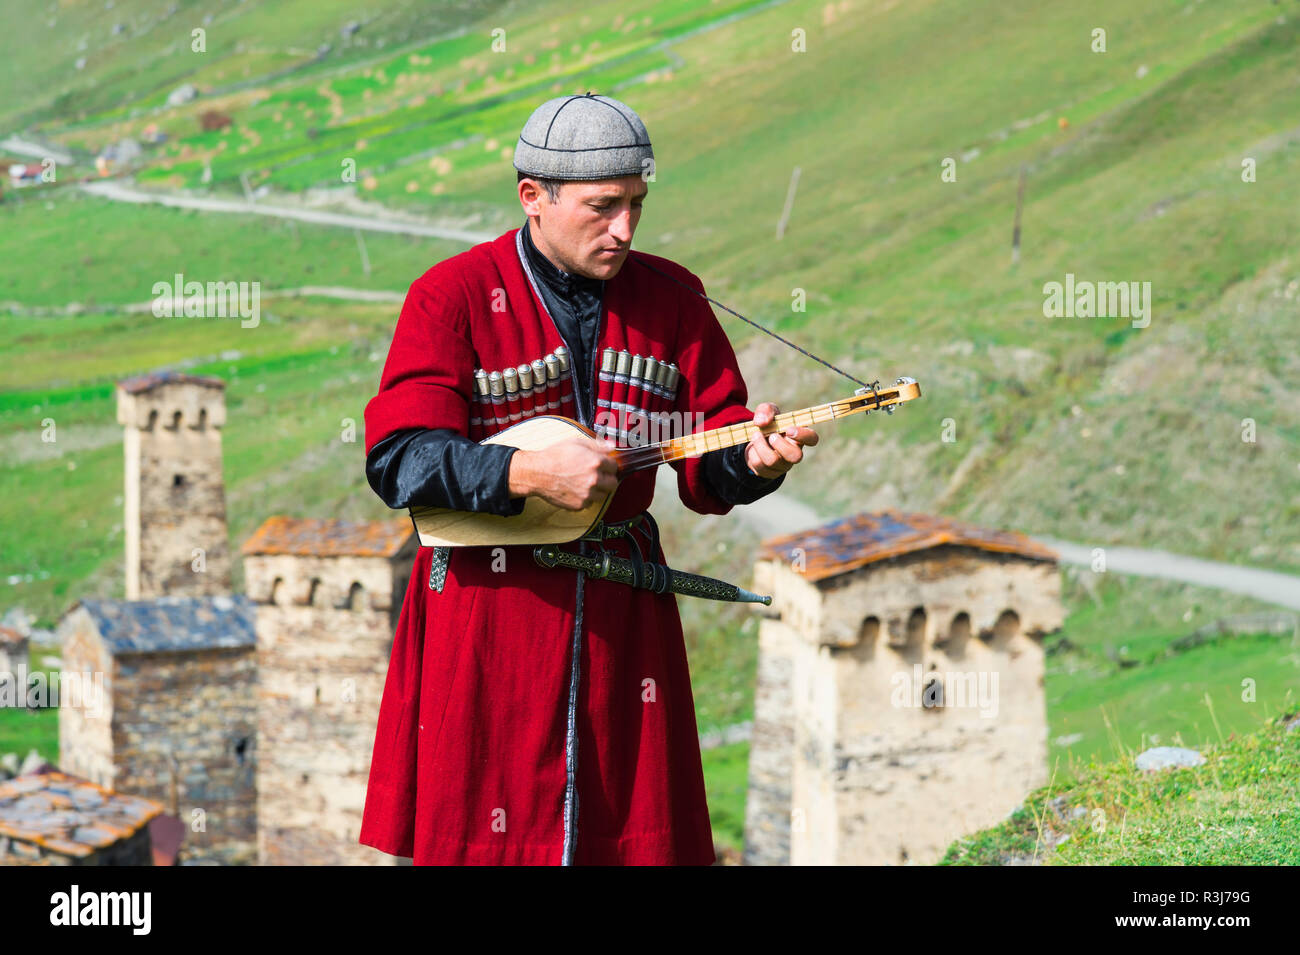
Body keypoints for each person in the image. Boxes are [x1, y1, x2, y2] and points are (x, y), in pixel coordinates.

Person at [359, 92, 818, 865]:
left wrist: (754, 461)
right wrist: (527, 471)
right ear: (532, 198)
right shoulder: (453, 297)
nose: (626, 230)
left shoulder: (672, 296)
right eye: (603, 207)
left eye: (638, 204)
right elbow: (399, 458)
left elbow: (707, 464)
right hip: (489, 611)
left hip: (622, 609)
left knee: (629, 833)